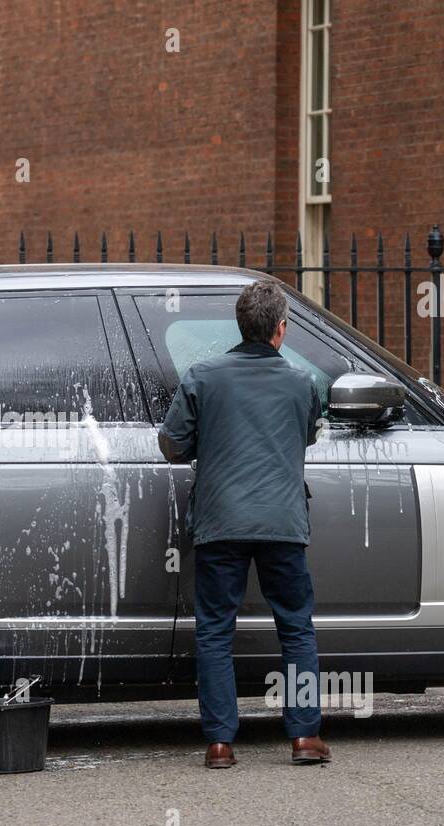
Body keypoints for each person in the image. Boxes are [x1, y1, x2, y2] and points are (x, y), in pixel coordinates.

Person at [158, 279, 332, 769]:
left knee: (215, 630)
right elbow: (307, 436)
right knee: (296, 627)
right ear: (280, 330)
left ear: (240, 325)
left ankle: (219, 744)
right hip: (282, 521)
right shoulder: (301, 382)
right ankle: (303, 737)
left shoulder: (202, 376)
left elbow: (171, 445)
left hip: (219, 523)